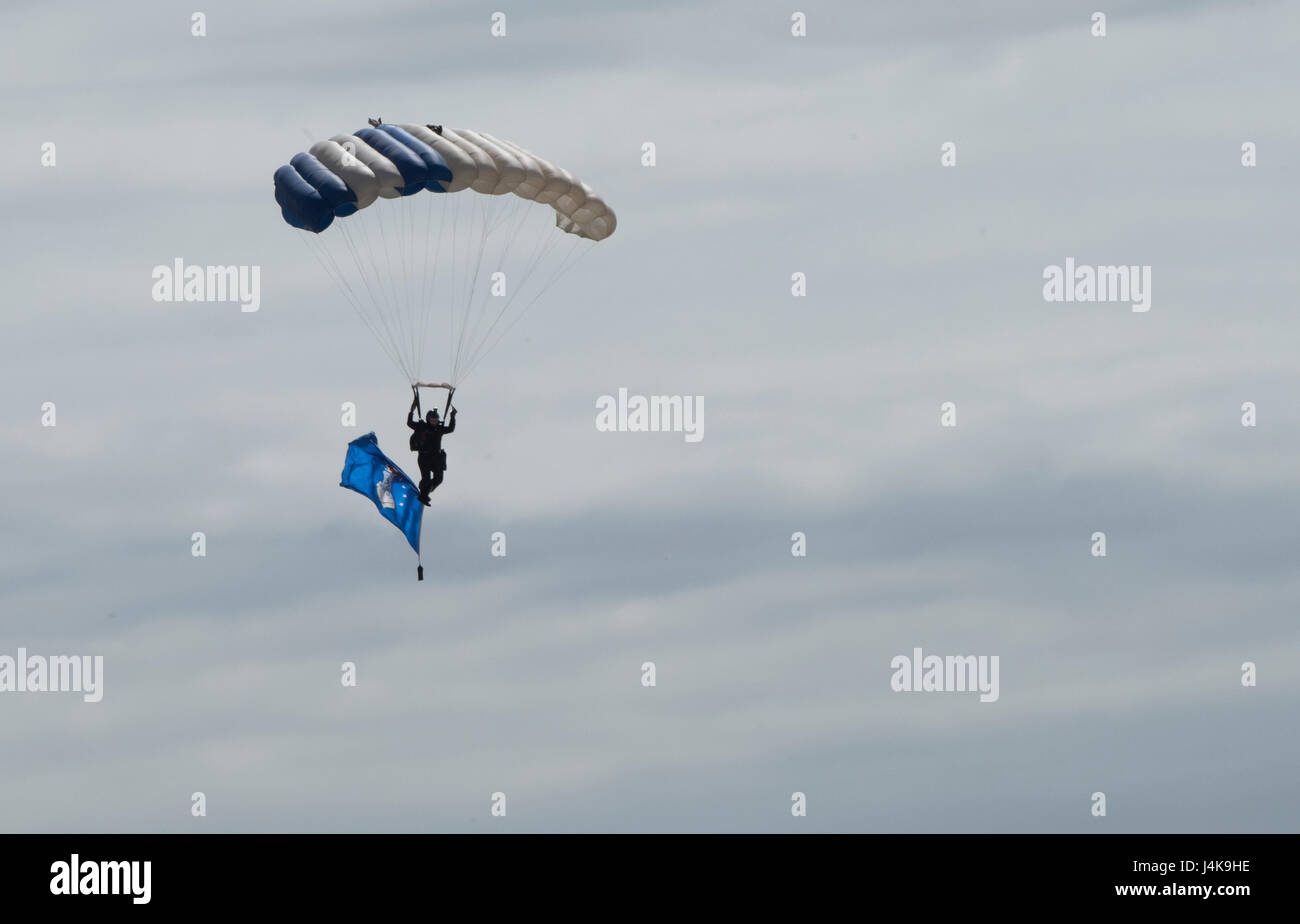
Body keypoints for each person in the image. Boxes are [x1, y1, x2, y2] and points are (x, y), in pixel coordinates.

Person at [407, 390, 456, 504]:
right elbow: (409, 423)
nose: (434, 421)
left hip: (436, 458)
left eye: (436, 420)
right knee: (426, 479)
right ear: (428, 419)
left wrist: (452, 416)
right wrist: (412, 410)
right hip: (424, 458)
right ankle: (423, 495)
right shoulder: (421, 426)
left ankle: (425, 493)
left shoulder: (439, 428)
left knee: (439, 479)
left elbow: (450, 429)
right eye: (432, 419)